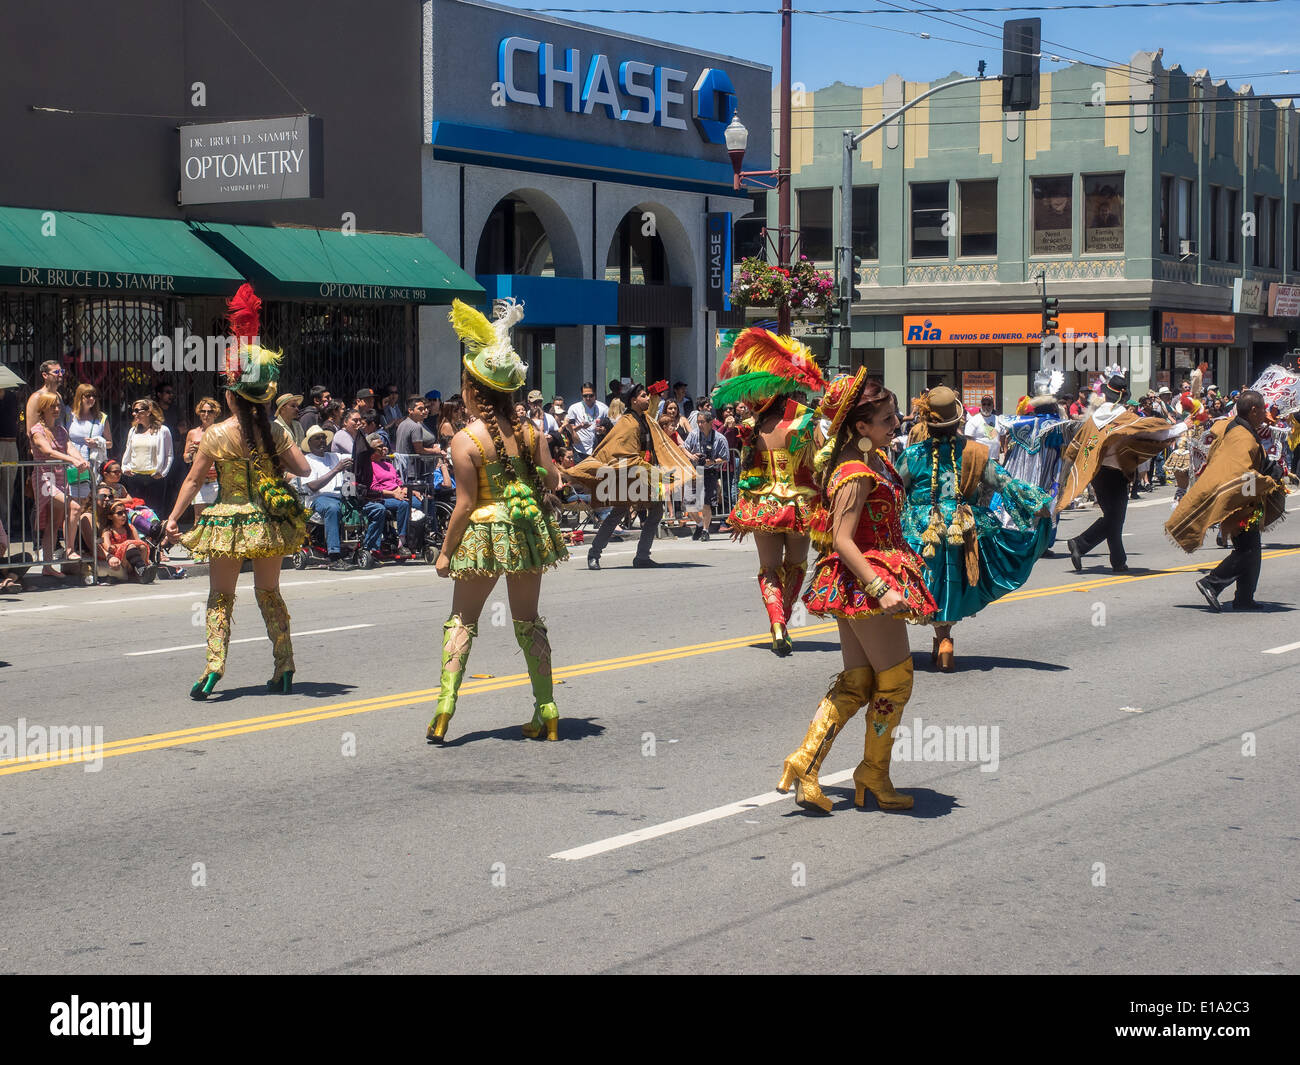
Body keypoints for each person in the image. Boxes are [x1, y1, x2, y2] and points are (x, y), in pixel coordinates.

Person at [778, 371, 936, 814]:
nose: (897, 423)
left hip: (860, 578)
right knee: (897, 679)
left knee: (859, 680)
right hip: (866, 581)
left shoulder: (870, 460)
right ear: (861, 427)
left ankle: (807, 763)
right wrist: (880, 587)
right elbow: (843, 537)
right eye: (887, 419)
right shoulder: (855, 471)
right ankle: (873, 773)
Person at [429, 298, 568, 744]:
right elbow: (554, 479)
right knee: (528, 621)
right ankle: (547, 709)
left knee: (462, 620)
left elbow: (466, 504)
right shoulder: (533, 432)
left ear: (472, 390)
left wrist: (446, 551)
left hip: (486, 533)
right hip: (527, 531)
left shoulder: (466, 440)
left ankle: (445, 709)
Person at [165, 284, 311, 700]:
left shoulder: (215, 433)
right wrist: (280, 456)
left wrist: (173, 518)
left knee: (219, 597)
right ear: (265, 395)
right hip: (269, 520)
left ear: (230, 395)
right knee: (269, 593)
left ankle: (214, 668)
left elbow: (193, 482)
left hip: (228, 520)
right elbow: (301, 469)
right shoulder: (278, 430)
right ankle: (284, 667)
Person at [900, 386, 1053, 672]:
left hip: (923, 531)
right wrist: (1036, 505)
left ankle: (934, 640)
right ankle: (944, 641)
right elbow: (1005, 482)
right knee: (951, 583)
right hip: (963, 529)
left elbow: (894, 489)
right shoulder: (975, 452)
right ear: (958, 421)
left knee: (928, 584)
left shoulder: (911, 455)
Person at [712, 328, 827, 655]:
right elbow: (817, 463)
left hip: (763, 505)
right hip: (799, 506)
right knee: (797, 565)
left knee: (768, 569)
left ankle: (776, 622)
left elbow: (748, 471)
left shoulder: (753, 428)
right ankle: (785, 621)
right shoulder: (804, 421)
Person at [1168, 390, 1297, 611]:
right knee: (1247, 551)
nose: (1265, 413)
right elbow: (1243, 474)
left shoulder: (1232, 427)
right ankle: (1212, 583)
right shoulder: (1243, 438)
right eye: (1263, 409)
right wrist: (1268, 481)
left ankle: (1244, 599)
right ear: (1254, 410)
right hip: (1239, 503)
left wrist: (1275, 469)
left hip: (1247, 502)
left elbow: (1248, 459)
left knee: (1252, 551)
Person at [1055, 370, 1188, 573]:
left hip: (1097, 474)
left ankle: (1118, 561)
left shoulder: (1092, 420)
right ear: (1122, 396)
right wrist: (1181, 427)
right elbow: (1154, 430)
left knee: (1113, 517)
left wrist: (1067, 475)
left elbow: (1074, 447)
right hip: (1115, 474)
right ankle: (1080, 544)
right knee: (1114, 518)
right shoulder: (1124, 418)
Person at [567, 383, 698, 570]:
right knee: (618, 512)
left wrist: (655, 396)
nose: (646, 399)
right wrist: (656, 474)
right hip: (627, 473)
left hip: (642, 473)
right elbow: (627, 456)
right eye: (643, 396)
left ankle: (642, 556)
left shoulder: (643, 418)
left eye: (646, 396)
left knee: (656, 511)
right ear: (634, 400)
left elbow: (652, 410)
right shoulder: (627, 424)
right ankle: (594, 553)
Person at [27, 392, 87, 578]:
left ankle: (47, 565)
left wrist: (81, 461)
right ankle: (69, 549)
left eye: (57, 406)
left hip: (61, 479)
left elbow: (70, 447)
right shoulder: (37, 430)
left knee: (53, 524)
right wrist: (71, 460)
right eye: (52, 406)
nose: (56, 409)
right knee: (75, 506)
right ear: (43, 408)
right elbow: (46, 450)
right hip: (45, 480)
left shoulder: (61, 430)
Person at [295, 425, 355, 570]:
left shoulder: (335, 456)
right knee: (332, 508)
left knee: (368, 506)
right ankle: (334, 556)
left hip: (340, 495)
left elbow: (357, 455)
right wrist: (336, 470)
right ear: (309, 443)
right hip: (318, 498)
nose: (322, 441)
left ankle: (366, 549)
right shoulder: (307, 460)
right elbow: (312, 487)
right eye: (317, 438)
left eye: (324, 438)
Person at [65, 383, 111, 558]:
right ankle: (70, 547)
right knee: (73, 507)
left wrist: (98, 442)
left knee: (87, 507)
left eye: (93, 396)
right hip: (72, 464)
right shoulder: (69, 415)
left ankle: (88, 547)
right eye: (87, 396)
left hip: (91, 466)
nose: (91, 399)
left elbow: (110, 442)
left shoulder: (101, 417)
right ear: (79, 397)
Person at [682, 397, 728, 541]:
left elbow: (725, 457)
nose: (699, 425)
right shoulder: (694, 434)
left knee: (706, 503)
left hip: (710, 472)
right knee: (688, 503)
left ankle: (706, 531)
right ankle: (700, 524)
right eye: (698, 422)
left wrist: (712, 461)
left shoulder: (719, 438)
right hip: (694, 472)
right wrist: (692, 456)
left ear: (710, 423)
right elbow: (683, 447)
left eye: (702, 422)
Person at [359, 434, 411, 557]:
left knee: (422, 502)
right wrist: (393, 493)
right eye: (379, 447)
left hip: (396, 494)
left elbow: (398, 482)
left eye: (384, 446)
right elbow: (373, 488)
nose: (384, 449)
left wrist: (407, 490)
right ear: (370, 449)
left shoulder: (389, 465)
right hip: (381, 497)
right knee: (403, 504)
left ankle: (419, 540)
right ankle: (401, 540)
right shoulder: (369, 466)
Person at [120, 399, 173, 516]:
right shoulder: (133, 431)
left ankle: (155, 534)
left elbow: (169, 455)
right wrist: (125, 467)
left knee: (155, 512)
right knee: (136, 511)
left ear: (148, 412)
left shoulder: (163, 430)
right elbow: (128, 451)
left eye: (137, 411)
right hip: (135, 477)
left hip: (154, 477)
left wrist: (163, 473)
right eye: (133, 411)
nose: (134, 414)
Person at [183, 396, 222, 525]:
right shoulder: (192, 433)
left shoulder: (221, 431)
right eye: (203, 411)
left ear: (215, 413)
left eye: (209, 411)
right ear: (199, 413)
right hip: (199, 480)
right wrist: (192, 453)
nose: (206, 415)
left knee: (217, 517)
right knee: (198, 517)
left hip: (216, 480)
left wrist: (206, 449)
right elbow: (186, 458)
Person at [98, 497, 155, 583]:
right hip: (118, 559)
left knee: (142, 547)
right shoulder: (107, 531)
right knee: (129, 545)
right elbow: (108, 548)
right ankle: (141, 570)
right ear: (110, 517)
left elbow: (139, 542)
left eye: (125, 512)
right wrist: (124, 545)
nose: (124, 515)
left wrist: (127, 545)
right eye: (119, 513)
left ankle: (140, 571)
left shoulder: (130, 528)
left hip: (130, 557)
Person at [565, 383, 608, 460]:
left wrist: (603, 430)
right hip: (579, 451)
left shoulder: (603, 408)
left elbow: (609, 429)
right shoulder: (574, 408)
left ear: (595, 394)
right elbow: (570, 429)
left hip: (597, 450)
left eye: (591, 395)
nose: (588, 398)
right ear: (581, 395)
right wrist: (580, 426)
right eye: (585, 396)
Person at [963, 395, 1001, 463]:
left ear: (993, 406)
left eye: (989, 404)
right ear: (981, 406)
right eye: (984, 404)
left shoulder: (998, 420)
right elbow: (968, 442)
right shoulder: (973, 421)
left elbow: (1003, 437)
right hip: (979, 460)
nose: (986, 406)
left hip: (995, 460)